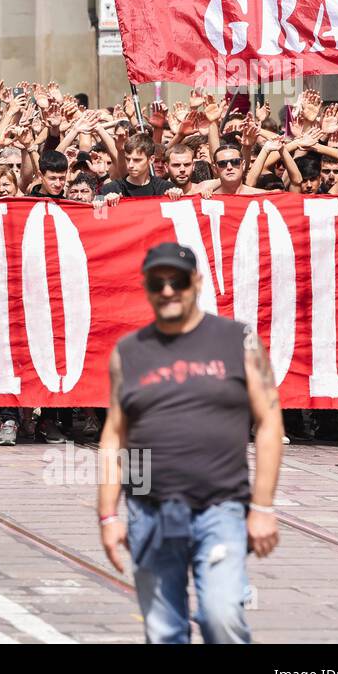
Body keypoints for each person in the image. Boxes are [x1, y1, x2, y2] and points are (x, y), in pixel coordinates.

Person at [98, 243, 282, 644]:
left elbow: (269, 420)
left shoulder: (238, 339)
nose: (168, 291)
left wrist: (263, 507)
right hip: (150, 511)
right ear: (145, 287)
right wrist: (109, 516)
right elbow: (115, 435)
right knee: (164, 632)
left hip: (220, 505)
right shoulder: (128, 352)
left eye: (177, 281)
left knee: (222, 617)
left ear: (196, 283)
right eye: (157, 282)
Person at [96, 135, 182, 203]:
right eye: (128, 159)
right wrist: (103, 204)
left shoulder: (165, 188)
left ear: (151, 159)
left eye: (137, 160)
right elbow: (97, 216)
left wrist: (177, 196)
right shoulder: (107, 189)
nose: (130, 165)